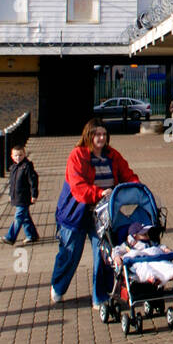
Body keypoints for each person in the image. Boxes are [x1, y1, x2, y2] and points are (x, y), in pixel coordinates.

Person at [50, 119, 139, 308]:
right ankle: (58, 286)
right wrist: (99, 193)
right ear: (88, 136)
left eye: (104, 134)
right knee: (70, 254)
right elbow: (78, 187)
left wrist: (137, 188)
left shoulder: (112, 155)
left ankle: (100, 297)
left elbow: (127, 174)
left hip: (102, 215)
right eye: (97, 134)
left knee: (104, 254)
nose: (101, 138)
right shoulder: (77, 155)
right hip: (76, 213)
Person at [109, 222, 173, 296]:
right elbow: (116, 250)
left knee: (162, 263)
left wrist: (165, 249)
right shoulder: (127, 245)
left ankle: (171, 271)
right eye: (144, 234)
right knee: (144, 266)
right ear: (134, 235)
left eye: (147, 233)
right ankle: (152, 277)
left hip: (152, 260)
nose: (147, 235)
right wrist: (117, 257)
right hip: (137, 263)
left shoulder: (150, 242)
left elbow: (158, 246)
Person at [2, 143, 39, 245]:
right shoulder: (13, 167)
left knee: (18, 217)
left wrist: (34, 194)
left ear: (24, 155)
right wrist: (10, 194)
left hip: (24, 197)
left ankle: (10, 237)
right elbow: (12, 183)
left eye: (20, 155)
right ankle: (32, 235)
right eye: (15, 155)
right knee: (25, 217)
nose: (18, 157)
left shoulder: (27, 167)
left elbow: (33, 181)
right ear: (11, 156)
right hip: (17, 197)